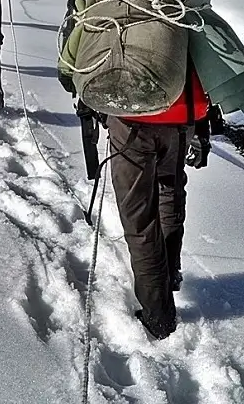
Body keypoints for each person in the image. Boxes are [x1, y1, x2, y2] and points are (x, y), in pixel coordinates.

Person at [100, 68, 213, 340]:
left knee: (139, 218)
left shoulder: (107, 22)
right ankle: (169, 272)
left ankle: (158, 316)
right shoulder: (185, 21)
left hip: (130, 120)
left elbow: (72, 66)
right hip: (180, 117)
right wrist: (203, 127)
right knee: (170, 192)